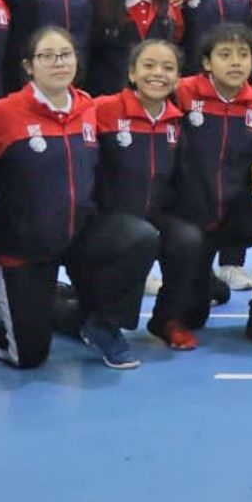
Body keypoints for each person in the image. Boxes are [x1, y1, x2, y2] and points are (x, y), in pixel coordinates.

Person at [0, 26, 157, 371]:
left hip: (79, 234)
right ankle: (3, 317)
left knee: (140, 237)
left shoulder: (90, 107)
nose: (58, 63)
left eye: (66, 54)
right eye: (47, 56)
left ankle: (98, 322)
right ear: (29, 65)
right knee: (29, 358)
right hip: (26, 247)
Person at [173, 23, 252, 348]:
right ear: (207, 62)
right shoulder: (181, 93)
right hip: (191, 218)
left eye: (243, 55)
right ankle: (207, 285)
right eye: (225, 55)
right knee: (193, 317)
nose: (236, 62)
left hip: (234, 214)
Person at [92, 37, 205, 351]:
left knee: (188, 237)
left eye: (168, 68)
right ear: (131, 73)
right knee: (141, 236)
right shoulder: (102, 109)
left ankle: (167, 319)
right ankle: (106, 320)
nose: (159, 74)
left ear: (178, 77)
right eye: (149, 65)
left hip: (153, 217)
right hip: (106, 221)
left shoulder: (176, 121)